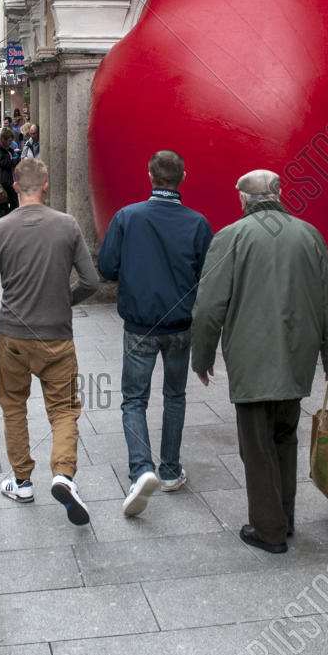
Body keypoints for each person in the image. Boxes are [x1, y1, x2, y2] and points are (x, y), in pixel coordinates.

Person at [190, 169, 328, 554]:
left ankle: (269, 530)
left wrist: (202, 356)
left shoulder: (230, 237)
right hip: (296, 358)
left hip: (251, 360)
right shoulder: (310, 235)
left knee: (256, 447)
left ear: (242, 199)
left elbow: (209, 307)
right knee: (283, 438)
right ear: (280, 193)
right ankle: (285, 516)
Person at [0, 158, 100, 525]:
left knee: (14, 408)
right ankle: (63, 474)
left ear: (14, 187)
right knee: (63, 410)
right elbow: (90, 281)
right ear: (46, 186)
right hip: (57, 337)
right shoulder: (67, 225)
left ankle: (22, 481)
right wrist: (64, 300)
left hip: (12, 337)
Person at [98, 150, 213, 516]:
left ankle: (140, 468)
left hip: (140, 325)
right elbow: (207, 276)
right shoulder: (198, 223)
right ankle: (169, 469)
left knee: (134, 399)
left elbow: (107, 267)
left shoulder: (127, 217)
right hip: (180, 326)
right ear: (184, 176)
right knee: (175, 396)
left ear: (149, 175)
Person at [0, 127, 19, 218]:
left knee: (13, 204)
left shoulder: (7, 149)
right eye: (9, 141)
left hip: (9, 179)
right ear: (3, 140)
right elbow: (4, 163)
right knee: (4, 205)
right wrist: (16, 161)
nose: (10, 143)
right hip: (4, 180)